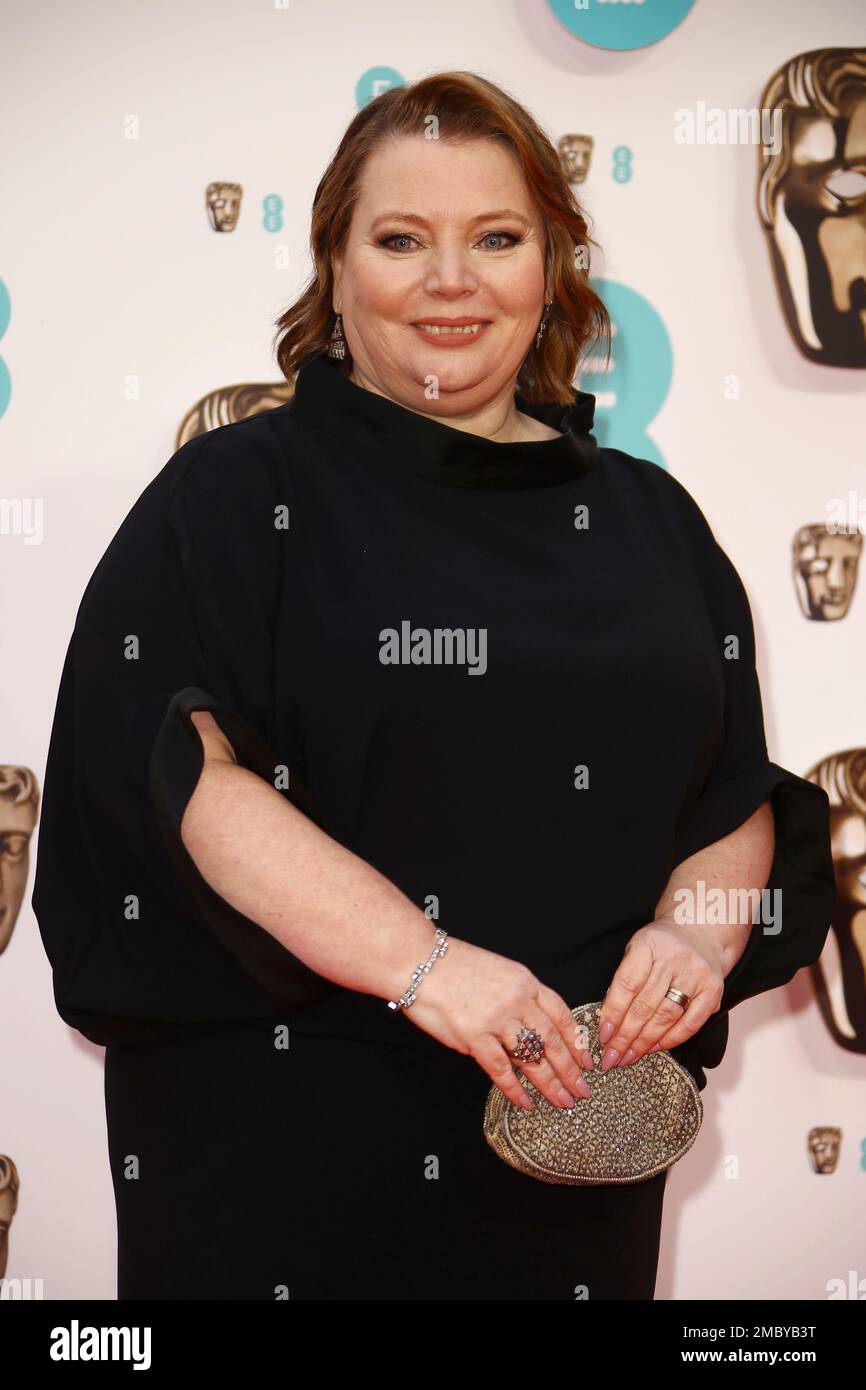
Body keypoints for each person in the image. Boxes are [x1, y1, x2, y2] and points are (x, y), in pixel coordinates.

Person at [32, 70, 836, 1301]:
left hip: (567, 1165)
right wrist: (431, 966)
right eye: (401, 239)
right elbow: (179, 772)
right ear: (336, 272)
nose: (449, 280)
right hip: (283, 1156)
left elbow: (724, 789)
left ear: (552, 267)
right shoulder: (233, 497)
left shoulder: (648, 521)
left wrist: (694, 931)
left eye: (495, 238)